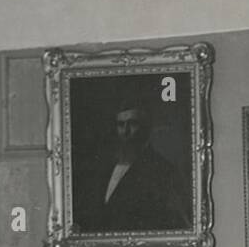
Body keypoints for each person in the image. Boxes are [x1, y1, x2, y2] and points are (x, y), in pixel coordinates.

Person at [74, 99, 189, 232]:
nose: (125, 131)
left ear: (146, 129)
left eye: (133, 124)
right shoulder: (106, 167)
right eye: (121, 125)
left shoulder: (162, 170)